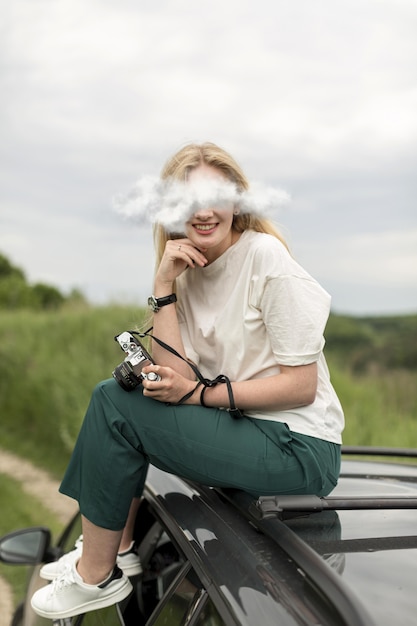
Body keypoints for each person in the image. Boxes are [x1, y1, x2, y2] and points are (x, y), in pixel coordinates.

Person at [31, 142, 344, 619]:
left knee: (112, 402)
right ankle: (118, 549)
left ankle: (98, 575)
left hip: (299, 446)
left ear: (238, 201)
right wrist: (163, 288)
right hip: (248, 428)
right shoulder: (189, 271)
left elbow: (300, 386)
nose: (202, 211)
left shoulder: (265, 258)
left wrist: (198, 394)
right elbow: (173, 378)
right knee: (124, 399)